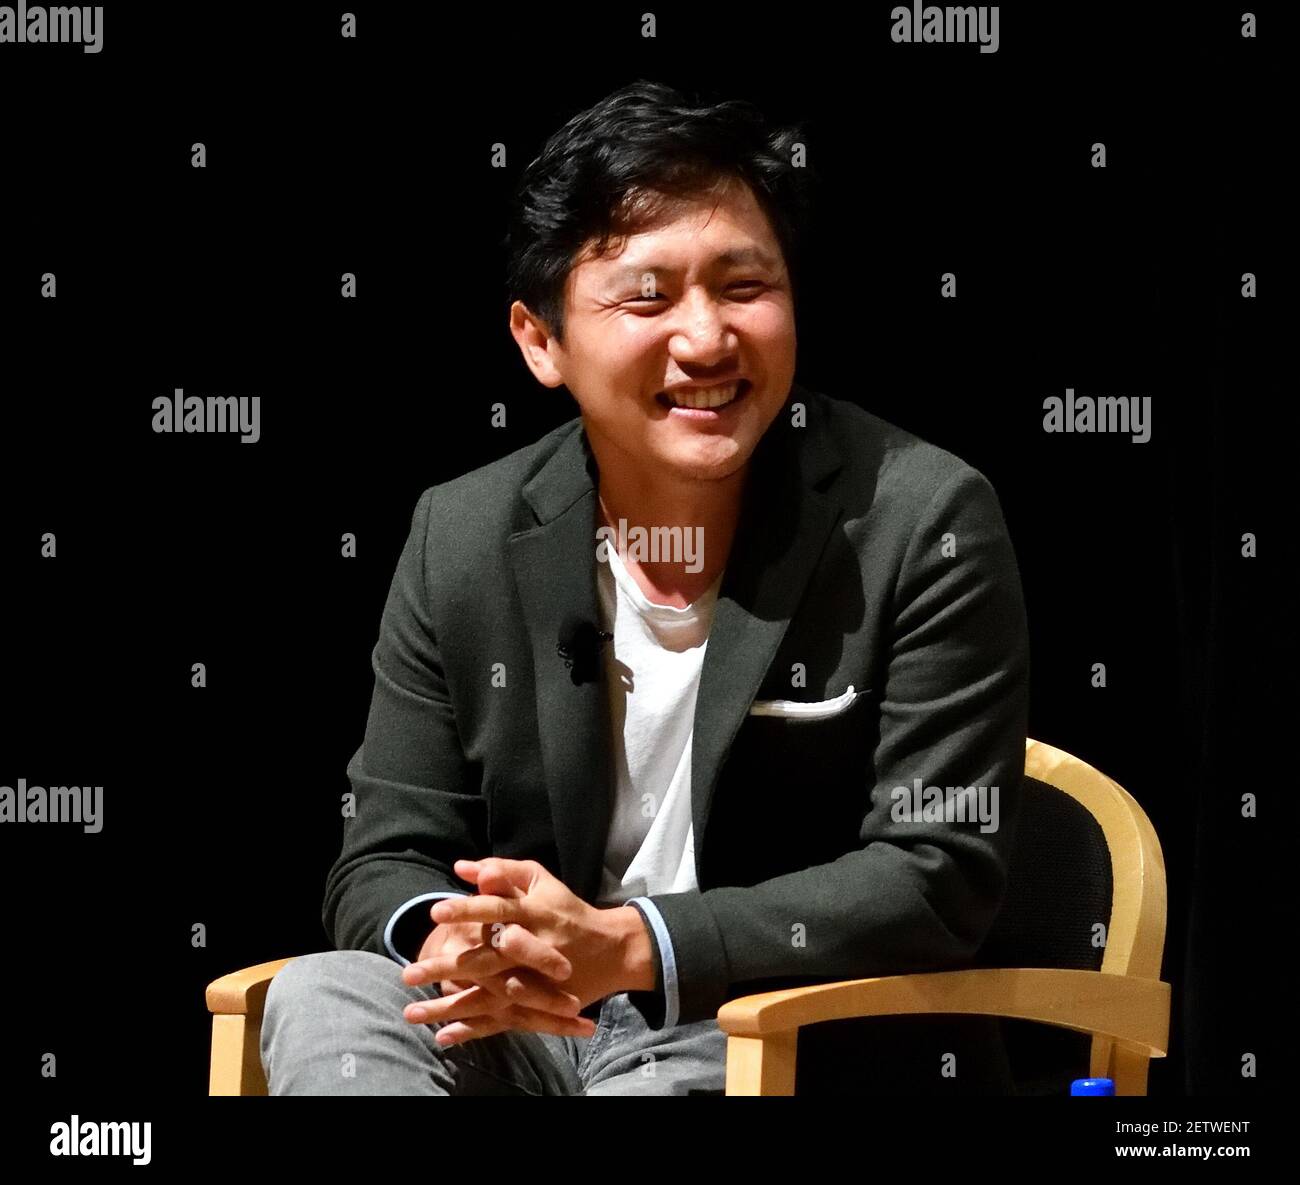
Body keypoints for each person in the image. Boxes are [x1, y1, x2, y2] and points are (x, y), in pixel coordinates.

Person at [260, 80, 1030, 1096]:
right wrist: (456, 941)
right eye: (649, 296)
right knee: (323, 995)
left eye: (742, 286)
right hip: (542, 1019)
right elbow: (386, 851)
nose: (706, 338)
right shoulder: (466, 533)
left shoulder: (920, 518)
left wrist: (634, 944)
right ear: (540, 341)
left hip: (784, 1030)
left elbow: (937, 874)